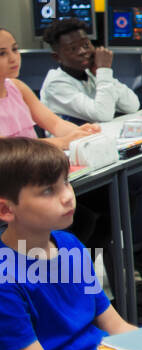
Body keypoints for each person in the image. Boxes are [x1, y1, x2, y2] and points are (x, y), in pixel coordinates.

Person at [39, 19, 142, 288]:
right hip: (81, 164)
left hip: (110, 151)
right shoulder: (57, 85)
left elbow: (132, 104)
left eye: (86, 44)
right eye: (73, 49)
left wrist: (104, 74)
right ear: (57, 56)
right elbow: (102, 113)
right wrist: (104, 71)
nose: (83, 52)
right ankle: (138, 251)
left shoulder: (92, 73)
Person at [0, 138, 135, 350]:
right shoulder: (5, 282)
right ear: (6, 210)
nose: (67, 197)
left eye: (66, 182)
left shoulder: (70, 245)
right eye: (48, 190)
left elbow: (117, 326)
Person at [0, 27, 107, 252]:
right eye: (2, 54)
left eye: (15, 49)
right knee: (73, 222)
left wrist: (81, 133)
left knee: (94, 214)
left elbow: (54, 123)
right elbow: (10, 150)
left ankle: (80, 274)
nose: (13, 58)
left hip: (37, 175)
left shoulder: (17, 88)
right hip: (13, 187)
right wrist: (64, 142)